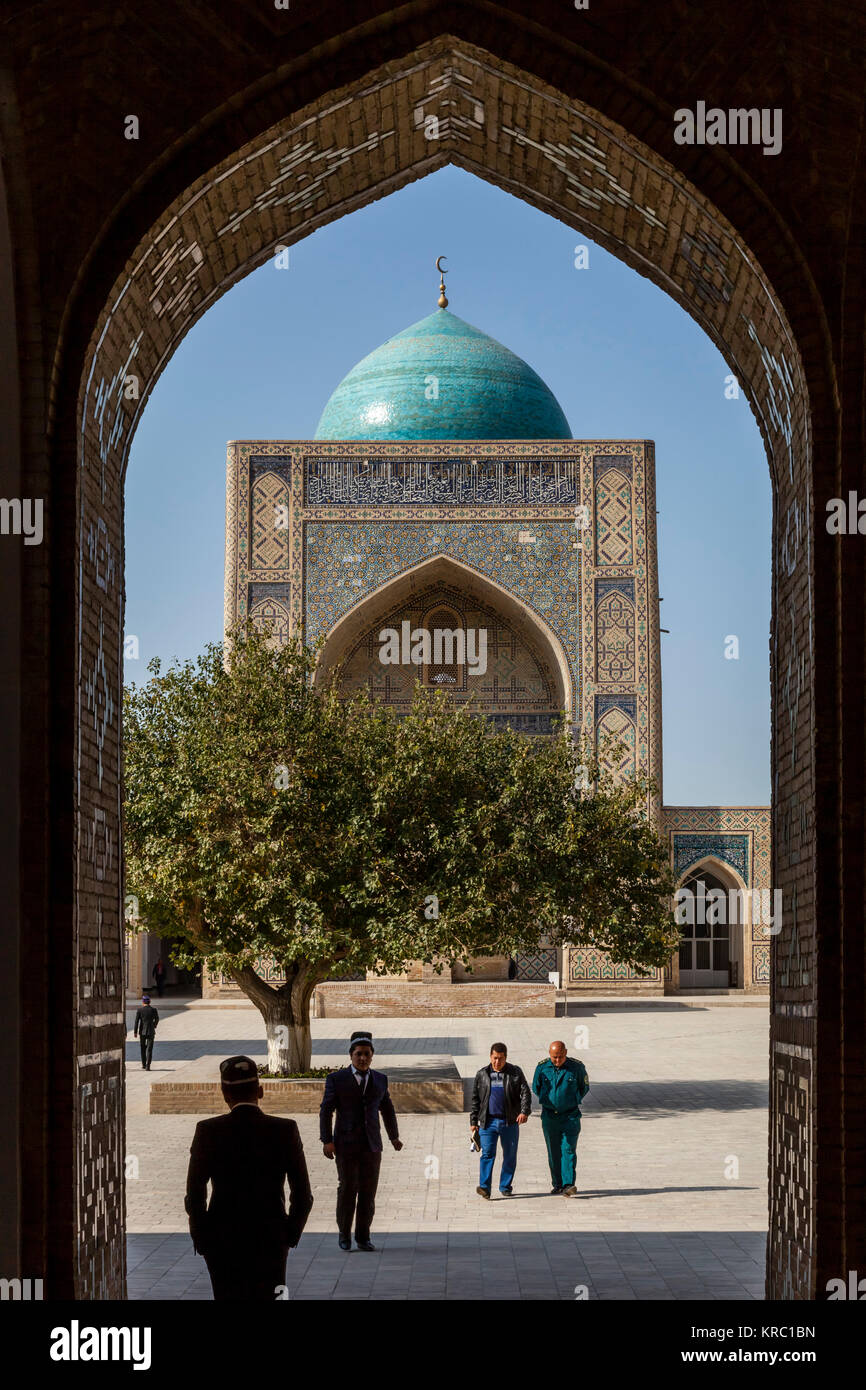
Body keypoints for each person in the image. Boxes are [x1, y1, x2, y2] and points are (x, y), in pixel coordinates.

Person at [184, 1055, 313, 1301]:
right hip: (271, 1239)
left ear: (224, 1094)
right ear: (261, 1091)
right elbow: (302, 1195)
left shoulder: (208, 1131)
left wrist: (202, 1239)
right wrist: (289, 1236)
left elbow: (195, 1194)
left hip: (222, 1240)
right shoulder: (284, 1130)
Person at [319, 1031, 402, 1251]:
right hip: (345, 1145)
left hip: (372, 1146)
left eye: (366, 1054)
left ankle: (363, 1237)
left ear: (372, 1056)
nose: (362, 1058)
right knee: (347, 1189)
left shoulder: (380, 1080)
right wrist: (327, 1140)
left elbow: (387, 1109)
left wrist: (394, 1136)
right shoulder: (336, 1080)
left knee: (368, 1192)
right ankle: (344, 1234)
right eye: (358, 1054)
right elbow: (326, 1110)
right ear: (351, 1056)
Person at [470, 1042, 531, 1198]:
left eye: (501, 1058)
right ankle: (484, 1187)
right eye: (495, 1058)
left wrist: (524, 1111)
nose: (498, 1062)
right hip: (487, 1123)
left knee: (510, 1155)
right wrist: (473, 1122)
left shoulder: (515, 1073)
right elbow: (475, 1099)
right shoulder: (482, 1074)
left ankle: (505, 1186)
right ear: (490, 1056)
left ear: (506, 1057)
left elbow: (525, 1092)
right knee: (487, 1154)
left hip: (509, 1122)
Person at [533, 1040, 590, 1197]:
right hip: (550, 1116)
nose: (557, 1060)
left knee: (568, 1149)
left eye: (560, 1057)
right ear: (549, 1055)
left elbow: (583, 1087)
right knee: (553, 1151)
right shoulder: (542, 1067)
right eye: (554, 1057)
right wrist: (549, 1100)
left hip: (570, 1116)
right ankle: (557, 1184)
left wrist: (570, 1100)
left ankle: (568, 1184)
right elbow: (536, 1087)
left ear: (565, 1053)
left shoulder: (576, 1067)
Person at [133, 994, 159, 1071]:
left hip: (142, 1032)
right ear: (149, 1002)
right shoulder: (154, 1010)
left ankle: (144, 1064)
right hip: (151, 1031)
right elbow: (157, 1019)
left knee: (143, 1048)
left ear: (143, 1002)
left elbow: (136, 1022)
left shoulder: (140, 1010)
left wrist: (135, 1032)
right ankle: (148, 1066)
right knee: (149, 1049)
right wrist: (154, 1025)